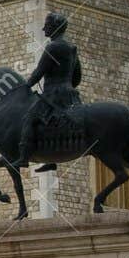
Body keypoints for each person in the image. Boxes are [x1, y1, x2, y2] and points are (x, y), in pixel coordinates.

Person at [25, 11, 82, 169]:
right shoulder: (72, 48)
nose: (44, 29)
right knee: (54, 124)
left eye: (47, 26)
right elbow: (77, 76)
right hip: (70, 95)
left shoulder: (53, 47)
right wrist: (68, 87)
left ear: (55, 28)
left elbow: (38, 72)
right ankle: (51, 160)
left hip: (53, 95)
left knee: (29, 118)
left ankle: (23, 157)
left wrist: (25, 86)